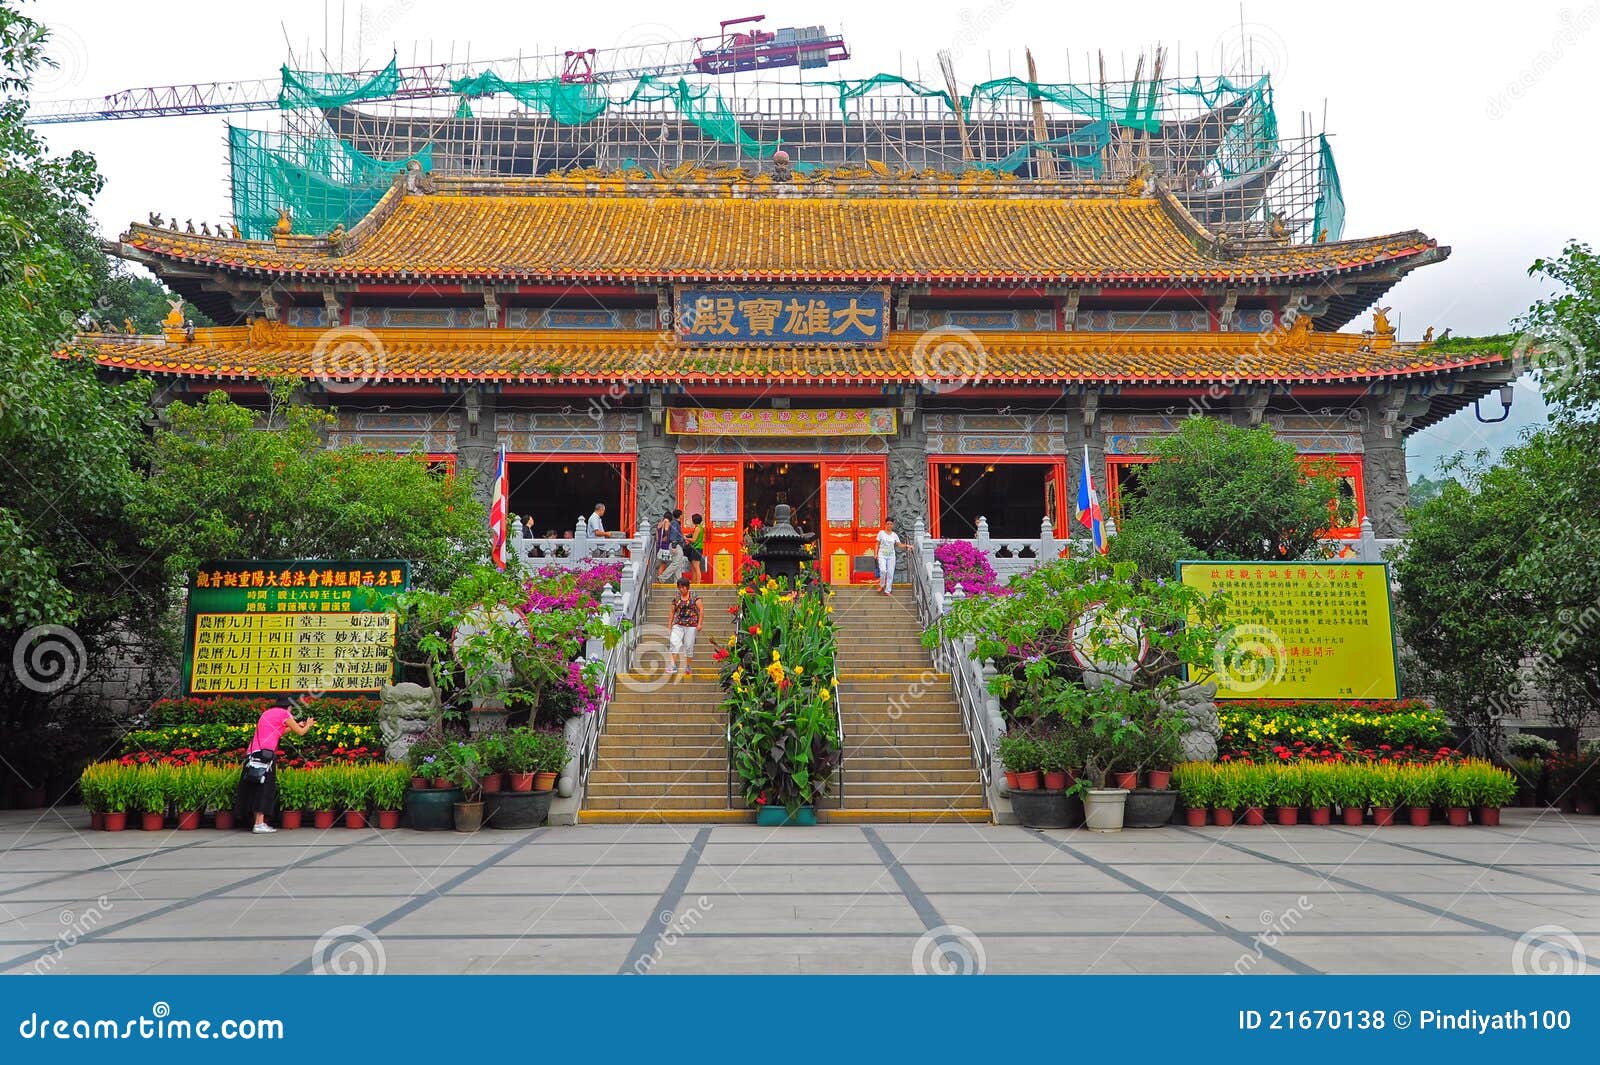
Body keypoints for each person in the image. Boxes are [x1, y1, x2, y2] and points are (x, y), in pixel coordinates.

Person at [235, 704, 315, 833]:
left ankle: (257, 822)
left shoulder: (267, 713)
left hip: (253, 754)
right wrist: (308, 725)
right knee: (264, 788)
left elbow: (278, 732)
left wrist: (297, 725)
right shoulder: (284, 714)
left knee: (255, 786)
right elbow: (301, 733)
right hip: (265, 756)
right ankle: (259, 824)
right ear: (288, 707)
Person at [666, 576, 703, 677]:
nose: (681, 589)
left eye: (683, 587)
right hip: (678, 623)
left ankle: (688, 666)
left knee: (688, 645)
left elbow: (701, 609)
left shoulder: (694, 596)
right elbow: (672, 611)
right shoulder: (677, 597)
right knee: (674, 642)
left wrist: (699, 623)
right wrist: (669, 626)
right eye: (679, 587)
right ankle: (673, 665)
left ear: (687, 587)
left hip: (691, 624)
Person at [875, 517, 902, 596]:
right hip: (882, 554)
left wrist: (907, 546)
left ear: (893, 525)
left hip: (891, 555)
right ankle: (882, 585)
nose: (889, 525)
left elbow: (899, 544)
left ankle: (887, 590)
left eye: (891, 524)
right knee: (883, 570)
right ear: (885, 524)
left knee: (890, 573)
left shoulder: (894, 535)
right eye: (888, 524)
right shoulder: (881, 533)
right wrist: (875, 553)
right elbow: (877, 544)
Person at [684, 512, 705, 582]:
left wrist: (685, 538)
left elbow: (693, 540)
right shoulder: (701, 528)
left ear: (693, 521)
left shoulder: (697, 528)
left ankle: (698, 583)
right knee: (693, 567)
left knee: (696, 567)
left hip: (696, 548)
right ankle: (694, 581)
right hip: (698, 548)